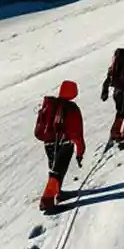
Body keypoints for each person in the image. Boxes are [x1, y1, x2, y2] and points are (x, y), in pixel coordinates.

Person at [34, 80, 86, 211]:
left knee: (54, 169)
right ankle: (47, 201)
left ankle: (58, 193)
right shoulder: (71, 108)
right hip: (64, 143)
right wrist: (80, 152)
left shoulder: (52, 104)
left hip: (48, 143)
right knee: (57, 171)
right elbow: (77, 133)